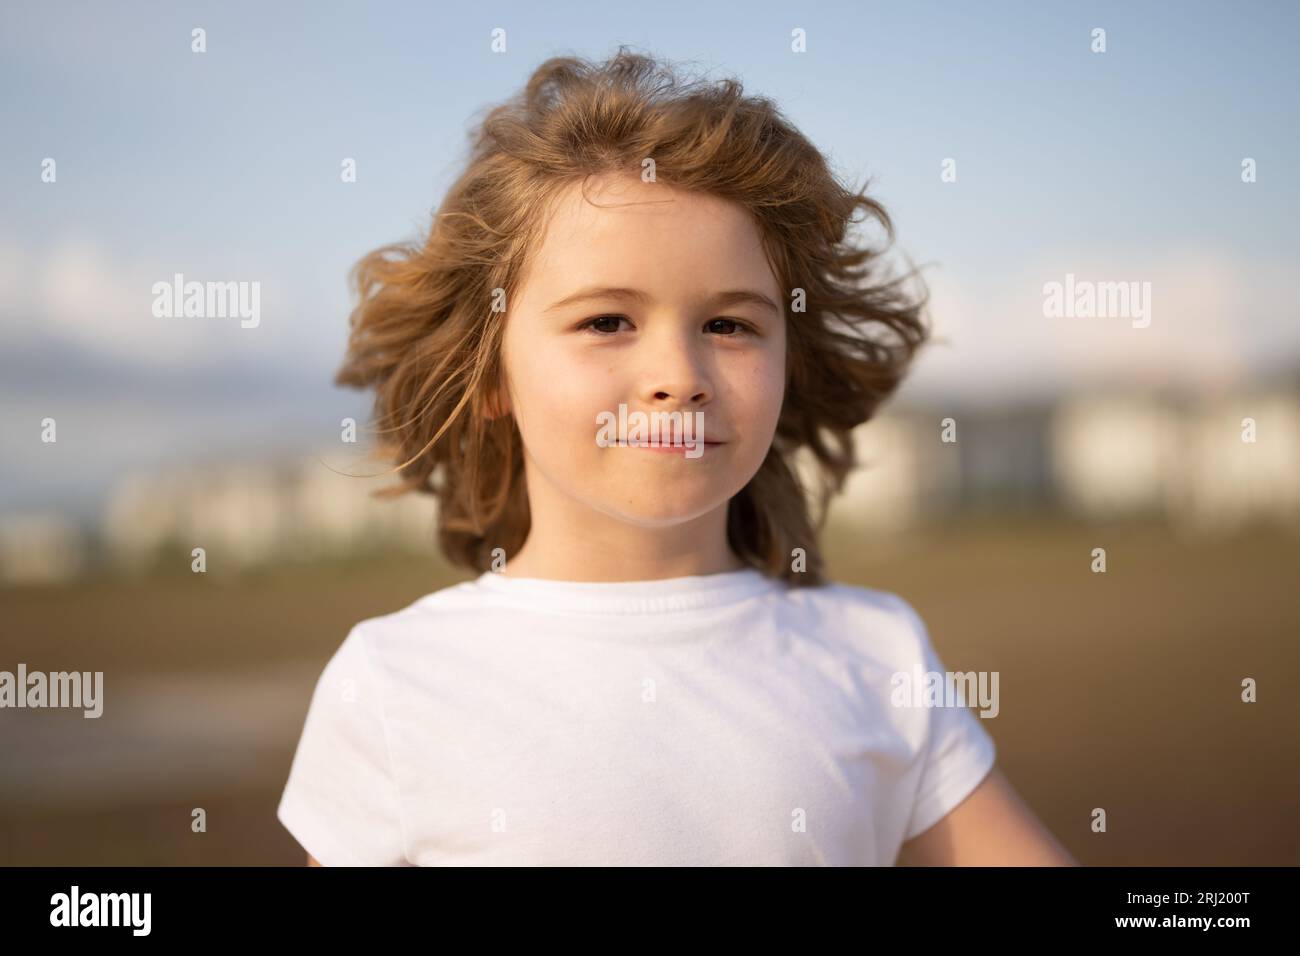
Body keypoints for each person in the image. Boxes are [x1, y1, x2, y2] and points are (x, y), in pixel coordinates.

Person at [277, 48, 1077, 867]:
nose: (678, 380)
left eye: (729, 325)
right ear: (492, 377)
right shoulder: (395, 683)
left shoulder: (876, 655)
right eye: (606, 322)